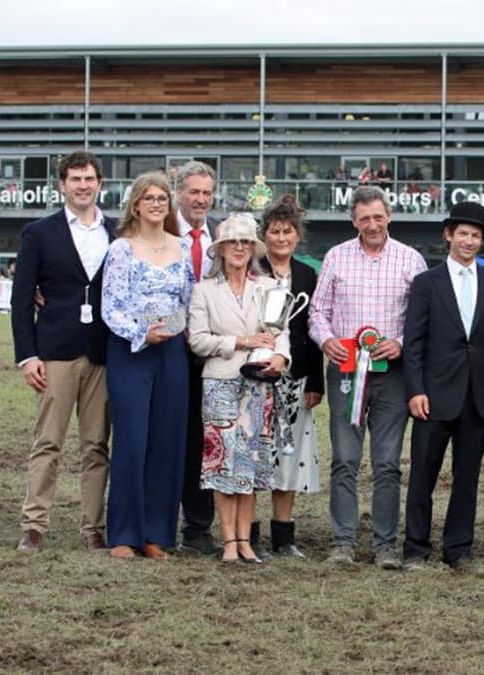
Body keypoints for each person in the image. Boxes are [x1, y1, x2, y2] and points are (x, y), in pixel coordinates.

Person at [309, 185, 427, 568]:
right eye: (364, 219)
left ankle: (385, 546)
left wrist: (402, 343)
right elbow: (317, 311)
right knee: (344, 458)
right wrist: (326, 340)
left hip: (393, 376)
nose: (372, 225)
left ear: (389, 216)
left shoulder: (411, 260)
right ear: (353, 221)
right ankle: (342, 542)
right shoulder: (336, 257)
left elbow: (424, 319)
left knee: (388, 462)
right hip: (345, 372)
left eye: (378, 217)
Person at [402, 202, 484, 574]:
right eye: (463, 233)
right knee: (423, 476)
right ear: (449, 235)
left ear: (483, 241)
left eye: (476, 235)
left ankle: (459, 550)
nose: (469, 240)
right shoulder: (426, 283)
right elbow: (414, 341)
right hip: (433, 397)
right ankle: (416, 549)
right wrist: (415, 390)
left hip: (478, 397)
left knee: (468, 478)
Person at [10, 151, 114, 552]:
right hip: (54, 352)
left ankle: (94, 527)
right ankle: (34, 524)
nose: (83, 185)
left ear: (99, 183)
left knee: (96, 445)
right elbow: (21, 300)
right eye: (75, 179)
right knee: (48, 441)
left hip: (101, 352)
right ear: (62, 185)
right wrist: (27, 356)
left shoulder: (117, 233)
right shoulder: (39, 232)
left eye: (89, 178)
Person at [189, 214, 290, 564]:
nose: (239, 248)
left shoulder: (268, 288)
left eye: (245, 242)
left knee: (251, 464)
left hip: (258, 386)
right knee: (221, 465)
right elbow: (198, 341)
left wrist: (280, 357)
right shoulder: (204, 291)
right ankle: (229, 540)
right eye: (233, 242)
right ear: (220, 249)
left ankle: (246, 539)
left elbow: (281, 332)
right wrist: (242, 341)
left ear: (252, 248)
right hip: (218, 383)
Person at [101, 171, 192, 559]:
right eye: (149, 198)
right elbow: (111, 306)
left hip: (171, 351)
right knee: (133, 442)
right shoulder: (122, 249)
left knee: (167, 444)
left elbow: (187, 301)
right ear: (135, 204)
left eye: (163, 198)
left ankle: (156, 533)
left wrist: (169, 330)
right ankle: (124, 533)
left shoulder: (182, 246)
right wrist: (142, 334)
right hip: (130, 350)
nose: (157, 204)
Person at [259, 194, 323, 557]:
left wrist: (316, 381)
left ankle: (284, 537)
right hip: (255, 377)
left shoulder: (307, 274)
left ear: (297, 235)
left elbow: (315, 331)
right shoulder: (252, 268)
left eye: (287, 231)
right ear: (264, 234)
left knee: (288, 455)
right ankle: (248, 535)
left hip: (296, 378)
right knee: (256, 455)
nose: (281, 238)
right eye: (274, 231)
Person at [175, 161, 224, 556]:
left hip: (210, 356)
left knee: (204, 441)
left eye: (207, 193)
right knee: (166, 439)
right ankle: (155, 521)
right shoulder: (155, 229)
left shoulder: (222, 237)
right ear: (179, 192)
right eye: (194, 192)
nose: (201, 200)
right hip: (166, 350)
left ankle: (198, 526)